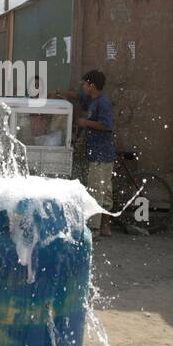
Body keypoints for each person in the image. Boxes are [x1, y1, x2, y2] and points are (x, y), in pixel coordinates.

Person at [54, 70, 114, 236]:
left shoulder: (103, 103)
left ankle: (94, 229)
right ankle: (105, 228)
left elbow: (107, 125)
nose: (83, 87)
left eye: (85, 84)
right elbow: (79, 96)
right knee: (104, 191)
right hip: (99, 153)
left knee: (97, 190)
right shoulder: (91, 99)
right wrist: (62, 93)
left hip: (101, 155)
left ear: (92, 85)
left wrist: (85, 122)